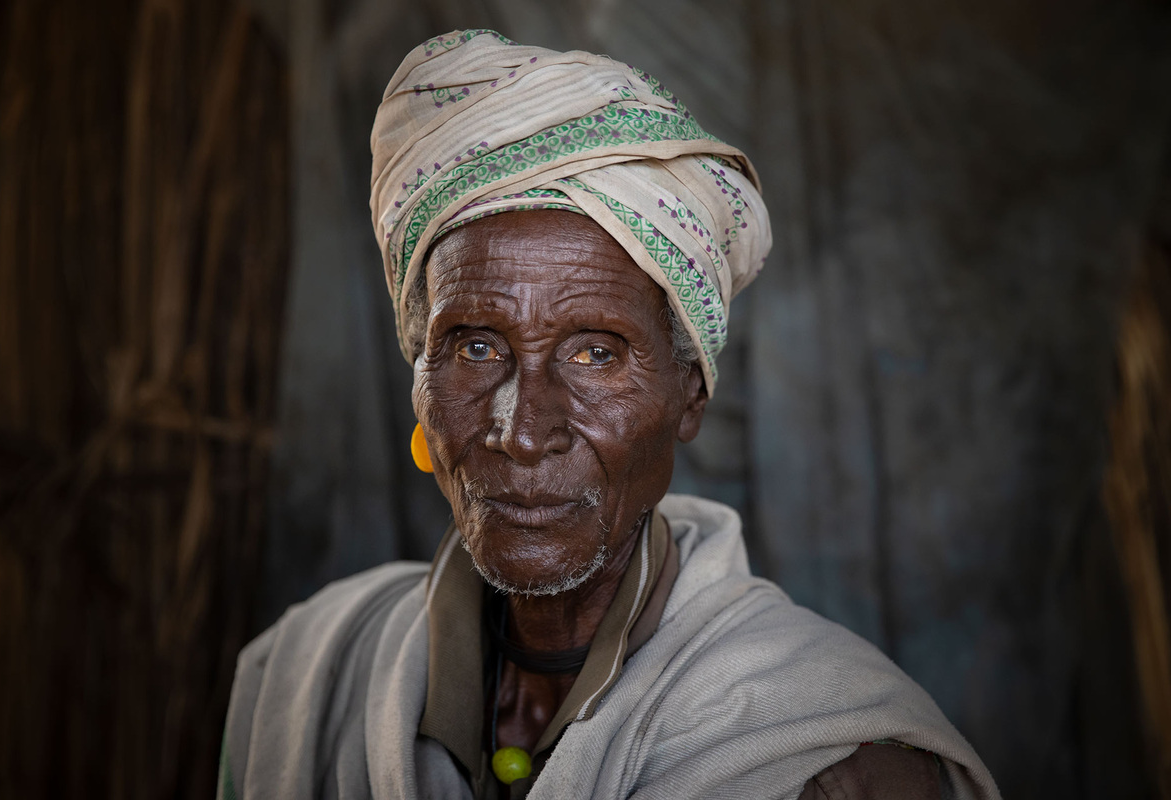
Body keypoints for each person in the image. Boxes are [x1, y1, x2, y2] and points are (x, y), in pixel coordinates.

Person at [217, 30, 1000, 800]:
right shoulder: (303, 677)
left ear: (689, 394)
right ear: (419, 368)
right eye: (476, 348)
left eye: (595, 354)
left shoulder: (831, 762)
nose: (522, 432)